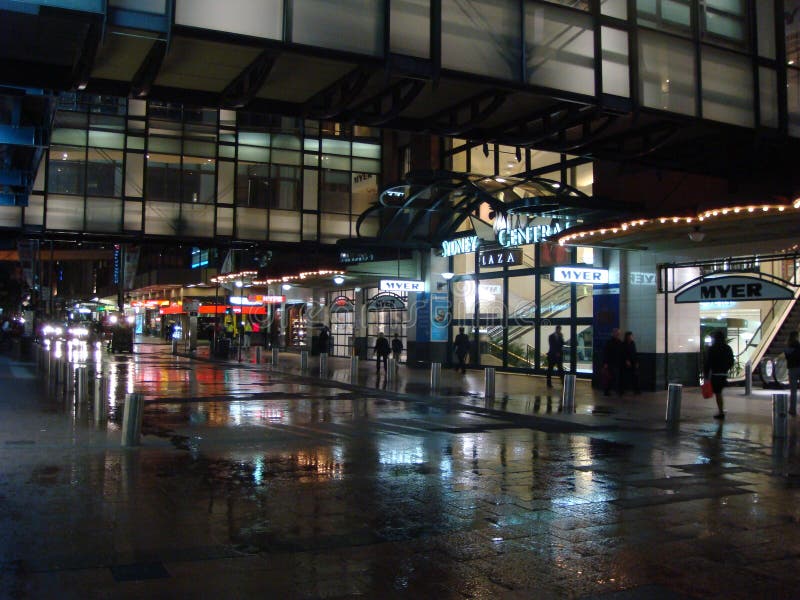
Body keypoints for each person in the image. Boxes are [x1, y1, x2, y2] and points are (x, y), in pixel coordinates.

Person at [704, 330, 735, 419]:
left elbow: (708, 362)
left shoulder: (712, 348)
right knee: (718, 392)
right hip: (723, 373)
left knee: (718, 393)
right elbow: (731, 361)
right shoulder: (727, 348)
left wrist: (706, 374)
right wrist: (726, 368)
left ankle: (721, 412)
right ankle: (721, 410)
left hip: (715, 374)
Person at [602, 328, 623, 396]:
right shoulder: (610, 342)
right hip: (611, 363)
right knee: (609, 378)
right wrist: (605, 363)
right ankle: (607, 391)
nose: (618, 335)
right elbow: (606, 353)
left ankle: (615, 390)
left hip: (617, 363)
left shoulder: (619, 342)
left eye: (618, 334)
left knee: (616, 377)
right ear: (613, 334)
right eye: (617, 333)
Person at [784, 331, 800, 416]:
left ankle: (792, 409)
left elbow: (787, 357)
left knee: (793, 391)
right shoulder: (799, 346)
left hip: (792, 369)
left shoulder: (787, 347)